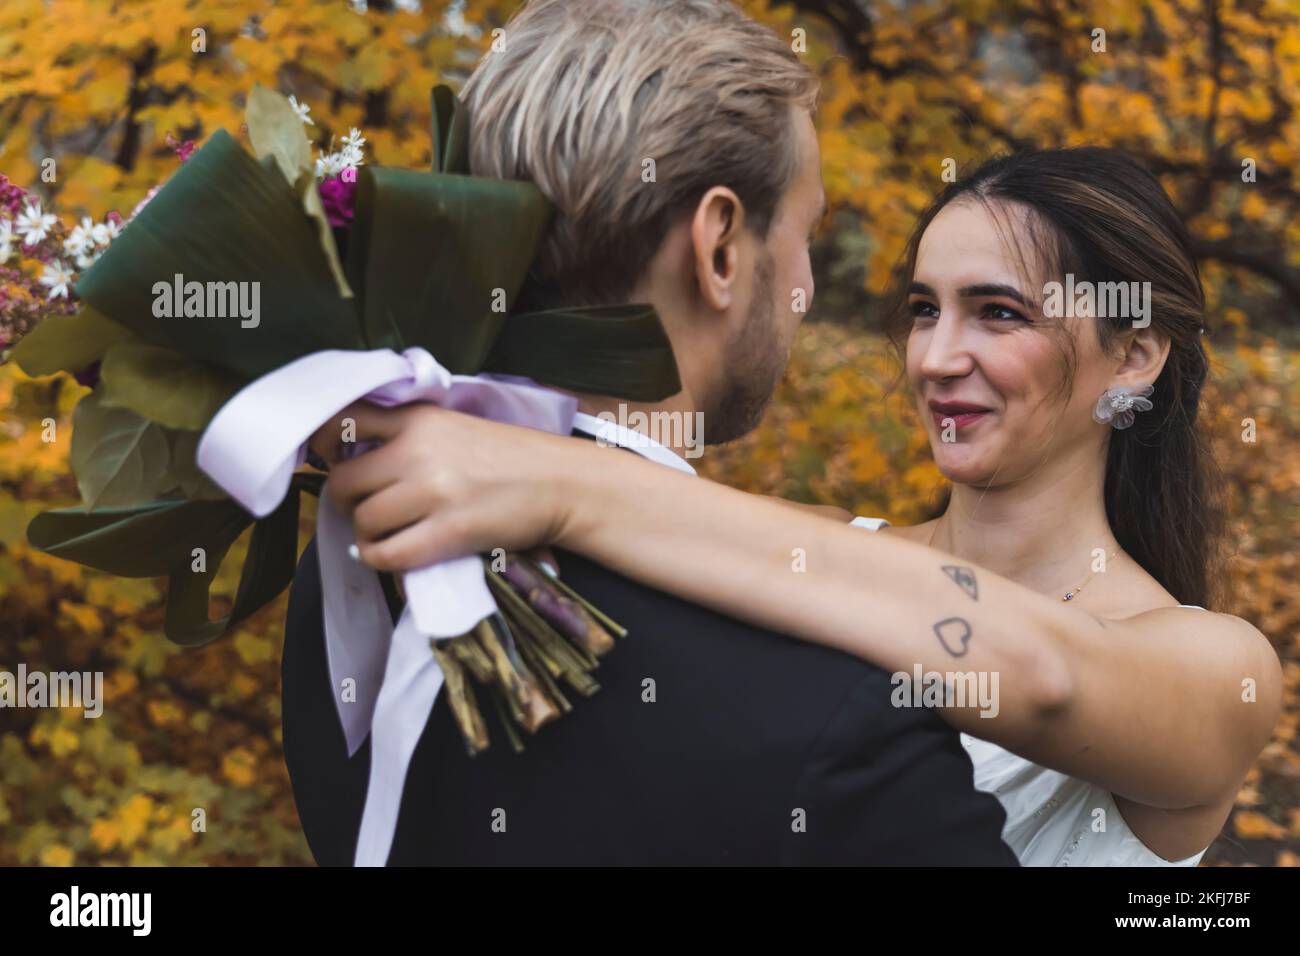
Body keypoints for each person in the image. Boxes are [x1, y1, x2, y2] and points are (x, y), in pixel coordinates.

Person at [317, 145, 1283, 866]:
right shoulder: (807, 556)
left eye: (1000, 312)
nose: (937, 358)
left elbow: (1038, 675)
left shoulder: (1215, 670)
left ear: (1134, 356)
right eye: (921, 308)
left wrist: (565, 488)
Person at [283, 0, 1018, 866]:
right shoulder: (839, 713)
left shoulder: (357, 558)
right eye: (803, 233)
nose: (809, 289)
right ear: (718, 249)